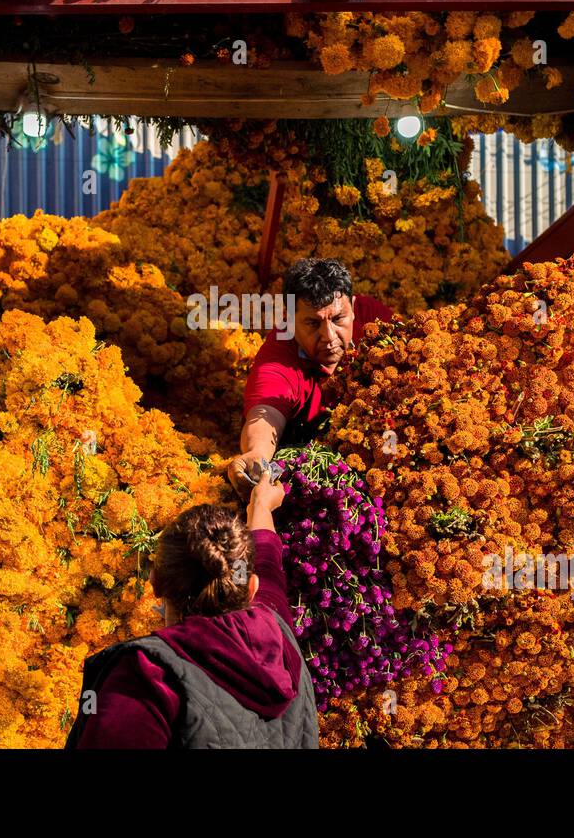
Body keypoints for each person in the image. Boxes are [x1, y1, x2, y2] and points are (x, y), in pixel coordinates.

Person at [66, 473, 318, 748]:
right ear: (251, 589)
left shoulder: (147, 678)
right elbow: (266, 560)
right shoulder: (277, 633)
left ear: (155, 582)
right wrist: (261, 506)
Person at [229, 257, 396, 495]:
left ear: (353, 307)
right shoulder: (278, 359)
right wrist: (257, 456)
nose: (329, 336)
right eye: (312, 323)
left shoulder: (375, 320)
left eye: (338, 319)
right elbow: (265, 417)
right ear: (288, 319)